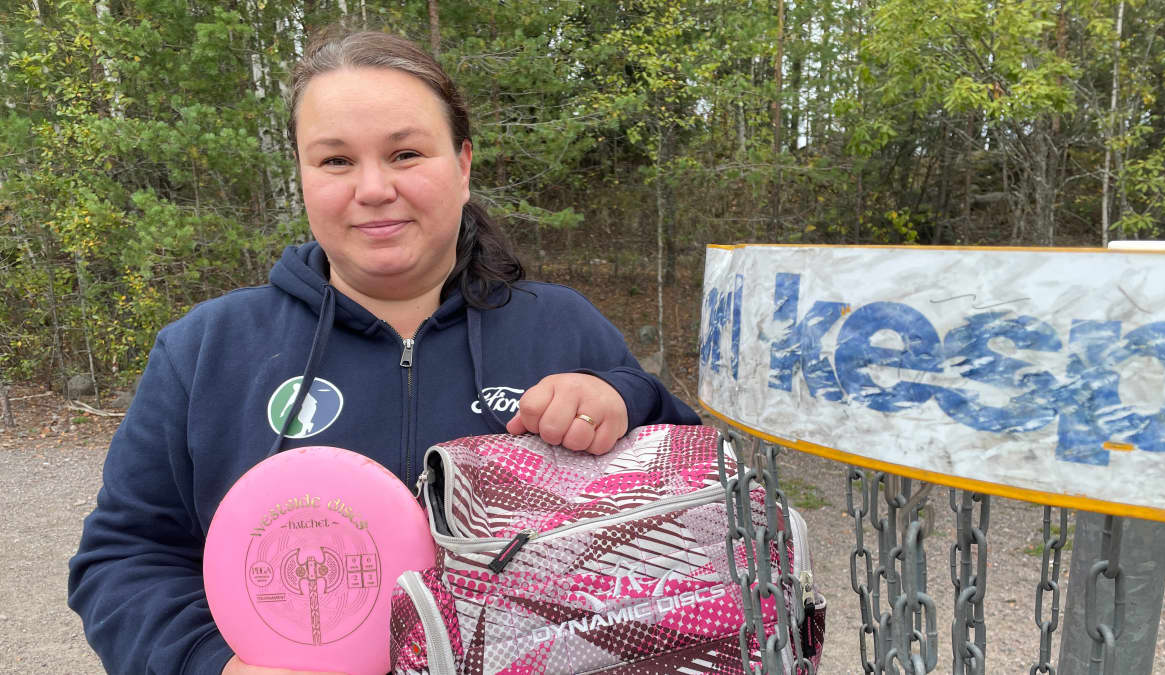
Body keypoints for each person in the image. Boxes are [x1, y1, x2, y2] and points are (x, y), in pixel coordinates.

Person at [68, 28, 700, 675]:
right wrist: (212, 666)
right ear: (303, 176)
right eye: (336, 161)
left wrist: (627, 398)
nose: (373, 188)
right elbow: (124, 556)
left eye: (405, 153)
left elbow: (696, 503)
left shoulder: (564, 329)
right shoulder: (205, 351)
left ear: (462, 165)